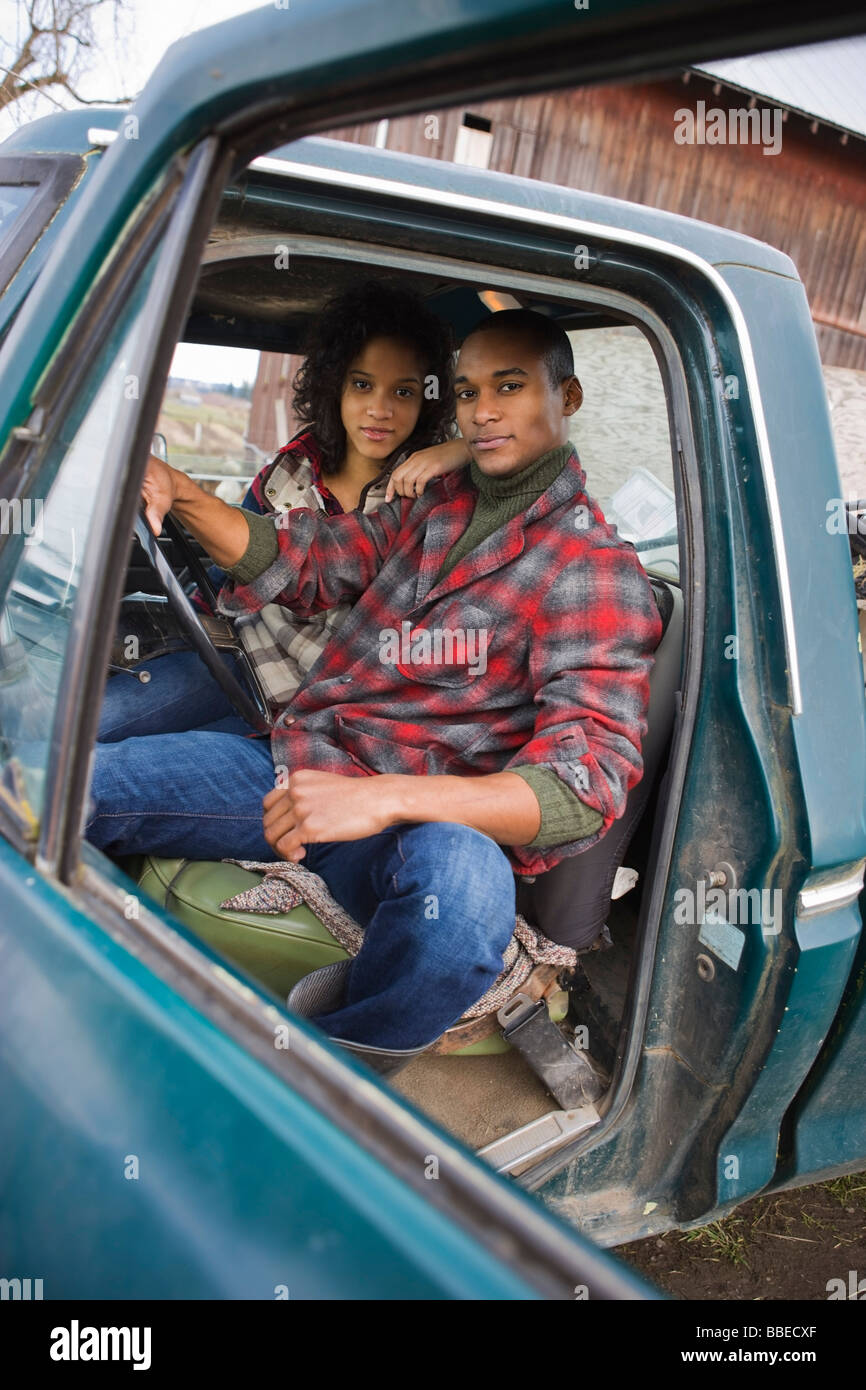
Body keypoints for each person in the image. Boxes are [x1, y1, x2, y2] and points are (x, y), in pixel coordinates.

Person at [87, 309, 662, 1054]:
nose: (482, 412)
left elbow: (587, 783)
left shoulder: (592, 569)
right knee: (67, 783)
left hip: (413, 828)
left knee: (460, 909)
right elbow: (310, 561)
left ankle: (322, 1084)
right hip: (297, 766)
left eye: (510, 387)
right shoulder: (432, 503)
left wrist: (380, 798)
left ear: (569, 397)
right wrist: (185, 493)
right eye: (465, 392)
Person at [99, 279, 467, 742]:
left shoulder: (430, 494)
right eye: (362, 384)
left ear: (428, 400)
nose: (379, 409)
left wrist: (464, 449)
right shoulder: (291, 468)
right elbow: (230, 562)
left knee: (104, 760)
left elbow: (519, 457)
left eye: (404, 392)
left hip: (312, 710)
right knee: (87, 728)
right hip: (236, 656)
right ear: (335, 386)